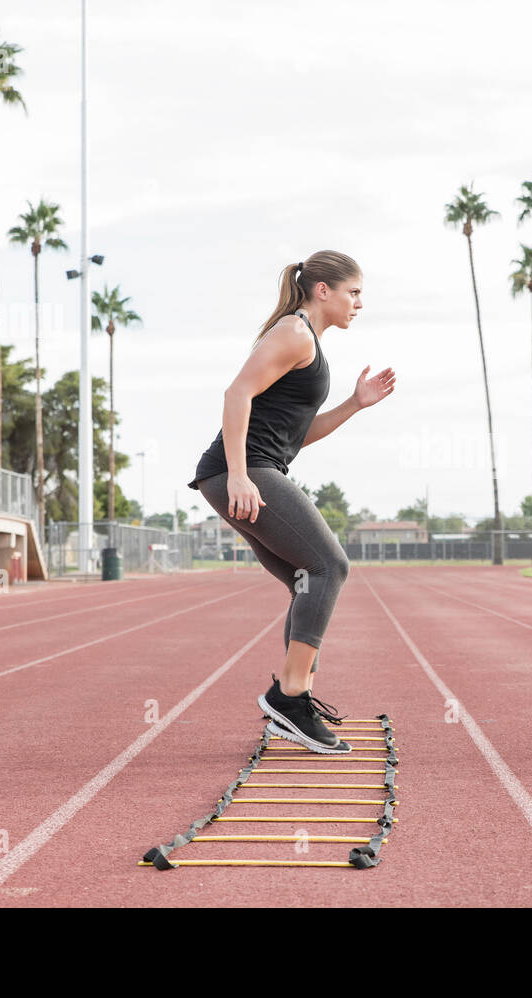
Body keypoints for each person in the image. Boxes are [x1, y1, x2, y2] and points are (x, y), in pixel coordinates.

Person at [187, 251, 396, 754]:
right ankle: (290, 696)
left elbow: (294, 437)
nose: (359, 304)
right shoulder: (295, 333)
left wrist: (353, 404)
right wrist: (239, 475)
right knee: (329, 567)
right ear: (322, 290)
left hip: (253, 467)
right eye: (354, 292)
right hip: (241, 472)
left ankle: (291, 699)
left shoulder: (308, 343)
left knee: (307, 580)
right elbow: (236, 394)